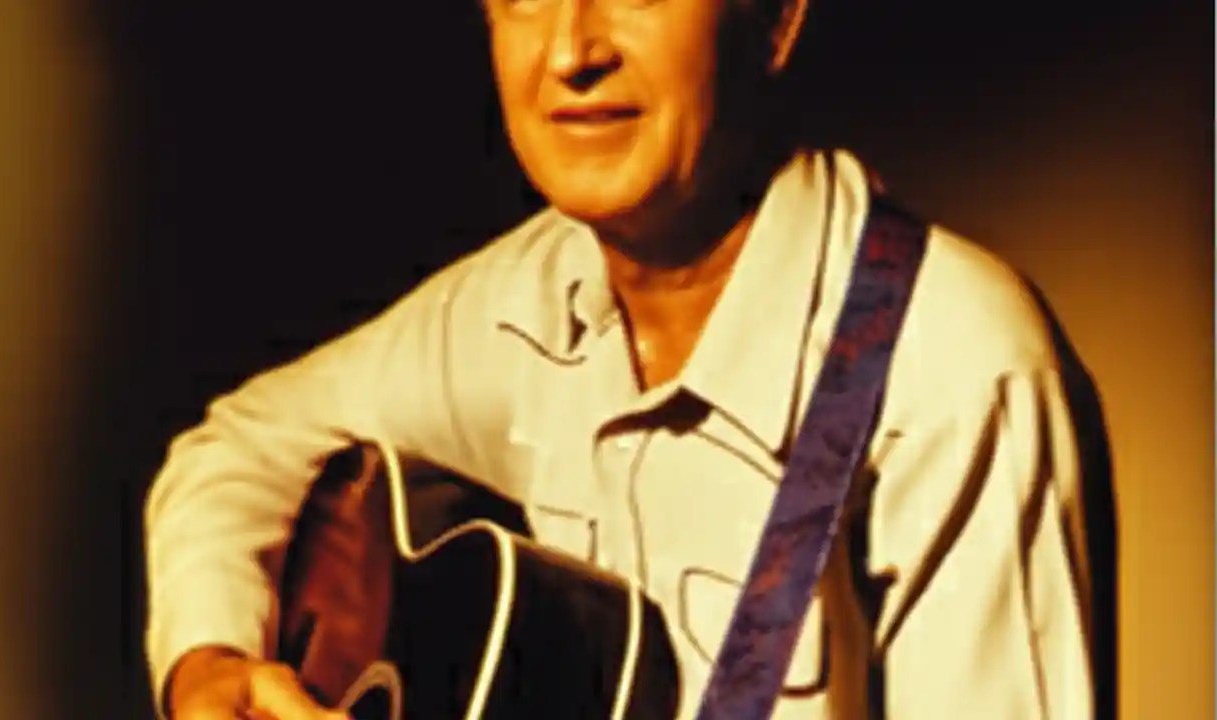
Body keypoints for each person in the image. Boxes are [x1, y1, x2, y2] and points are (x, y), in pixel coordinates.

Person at [144, 0, 1109, 718]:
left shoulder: (953, 369)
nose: (572, 51)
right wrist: (211, 664)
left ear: (774, 21)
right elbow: (242, 448)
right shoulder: (524, 300)